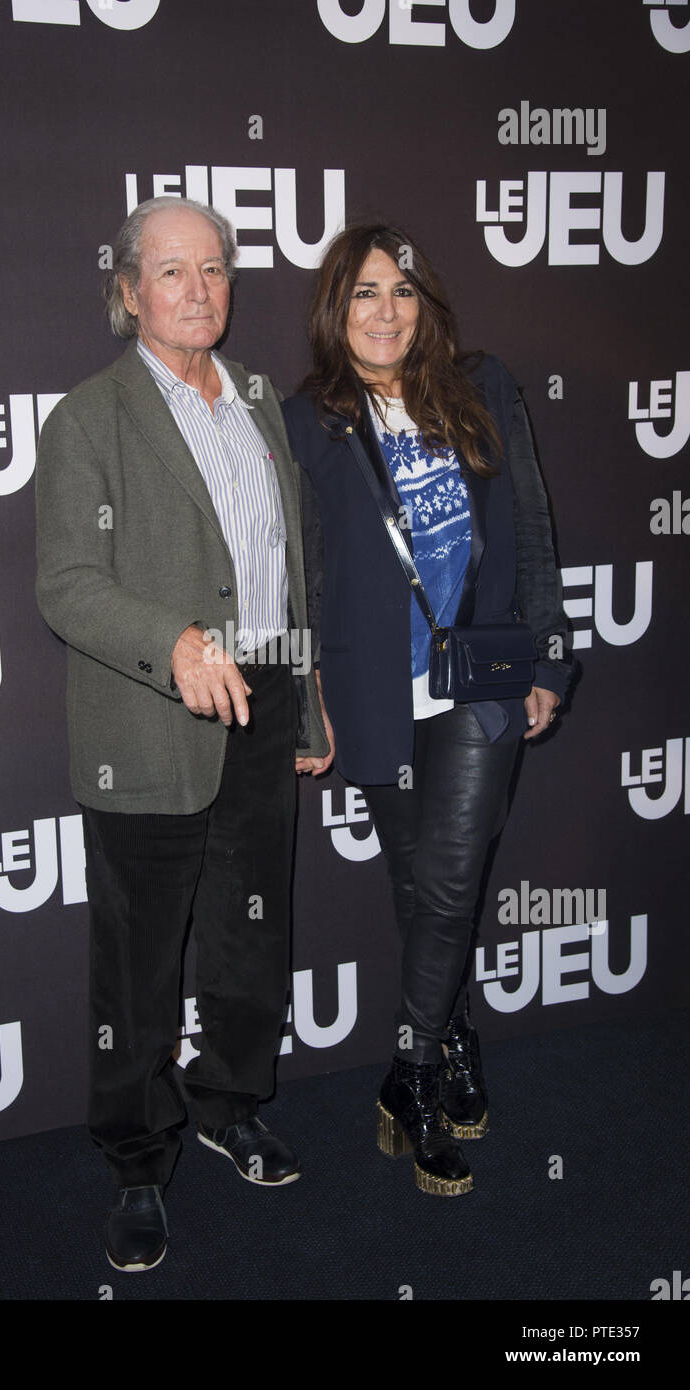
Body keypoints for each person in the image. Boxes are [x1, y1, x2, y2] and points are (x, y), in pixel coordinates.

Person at [35, 196, 329, 1270]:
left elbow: (290, 570)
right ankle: (137, 1158)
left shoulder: (259, 400)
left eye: (213, 269)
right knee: (139, 966)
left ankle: (229, 1102)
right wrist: (178, 645)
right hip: (149, 718)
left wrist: (308, 698)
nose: (198, 290)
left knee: (252, 936)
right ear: (126, 291)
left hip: (263, 705)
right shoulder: (87, 419)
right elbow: (67, 584)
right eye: (171, 272)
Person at [284, 223, 574, 1197]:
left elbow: (529, 523)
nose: (385, 311)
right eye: (364, 292)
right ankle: (452, 1040)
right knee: (420, 895)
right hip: (375, 690)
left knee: (448, 888)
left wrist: (546, 655)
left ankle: (406, 1079)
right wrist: (304, 689)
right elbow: (296, 571)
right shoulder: (309, 419)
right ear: (336, 308)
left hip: (480, 682)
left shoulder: (482, 387)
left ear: (427, 305)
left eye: (402, 291)